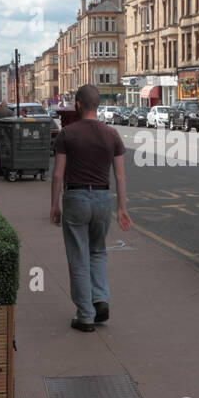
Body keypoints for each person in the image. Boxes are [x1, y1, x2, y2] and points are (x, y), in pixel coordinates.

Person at [50, 85, 132, 332]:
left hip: (76, 197)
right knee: (98, 252)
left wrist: (54, 205)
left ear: (77, 104)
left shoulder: (67, 134)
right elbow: (120, 177)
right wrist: (122, 208)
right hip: (103, 198)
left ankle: (85, 315)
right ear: (97, 106)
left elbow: (57, 175)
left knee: (78, 257)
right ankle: (100, 300)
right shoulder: (112, 135)